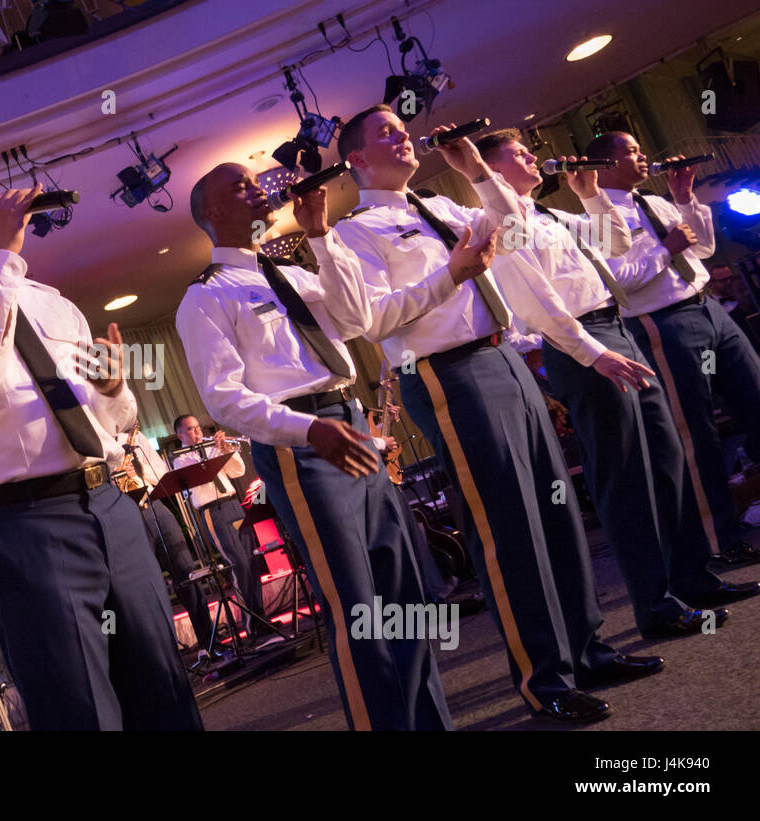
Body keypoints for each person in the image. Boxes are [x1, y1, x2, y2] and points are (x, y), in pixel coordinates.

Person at [321, 104, 657, 723]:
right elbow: (373, 323)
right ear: (357, 160)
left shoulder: (440, 207)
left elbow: (515, 230)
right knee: (508, 528)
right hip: (449, 375)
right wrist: (452, 273)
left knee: (556, 515)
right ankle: (543, 679)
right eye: (385, 133)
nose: (403, 137)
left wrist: (476, 169)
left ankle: (585, 649)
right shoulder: (354, 232)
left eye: (404, 126)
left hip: (505, 358)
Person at [0, 137, 201, 730]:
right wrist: (0, 257)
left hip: (110, 502)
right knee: (78, 707)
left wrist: (111, 392)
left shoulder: (48, 301)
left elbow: (116, 422)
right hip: (24, 525)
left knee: (164, 692)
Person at [176, 161, 451, 730]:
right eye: (240, 186)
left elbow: (357, 321)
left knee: (402, 596)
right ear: (213, 213)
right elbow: (224, 400)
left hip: (350, 425)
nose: (258, 191)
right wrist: (309, 432)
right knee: (357, 606)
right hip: (303, 445)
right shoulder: (204, 298)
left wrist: (322, 235)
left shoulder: (293, 274)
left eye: (256, 183)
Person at [475, 128, 754, 637]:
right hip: (581, 345)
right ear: (493, 171)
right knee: (625, 479)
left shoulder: (554, 214)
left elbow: (617, 245)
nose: (534, 157)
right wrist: (589, 351)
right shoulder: (503, 223)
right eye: (519, 154)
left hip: (617, 328)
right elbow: (539, 302)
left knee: (666, 461)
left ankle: (693, 578)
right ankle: (655, 606)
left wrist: (588, 193)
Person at [587, 132, 760, 567]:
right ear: (606, 165)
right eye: (630, 151)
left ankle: (748, 487)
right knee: (695, 431)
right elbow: (617, 283)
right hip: (664, 323)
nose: (643, 156)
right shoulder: (598, 219)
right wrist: (665, 250)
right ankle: (721, 539)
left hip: (709, 309)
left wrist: (684, 199)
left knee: (756, 399)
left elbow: (703, 248)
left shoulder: (655, 202)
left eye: (640, 148)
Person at [169, 415, 282, 649]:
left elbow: (238, 471)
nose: (197, 432)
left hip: (233, 504)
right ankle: (252, 625)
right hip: (213, 511)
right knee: (237, 562)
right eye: (190, 429)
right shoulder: (180, 459)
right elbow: (204, 474)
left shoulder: (212, 449)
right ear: (180, 435)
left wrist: (226, 450)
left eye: (198, 428)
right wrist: (215, 452)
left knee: (251, 560)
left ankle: (262, 618)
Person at [116, 425, 215, 653]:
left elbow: (160, 473)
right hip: (124, 512)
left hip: (154, 504)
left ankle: (209, 640)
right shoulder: (97, 440)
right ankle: (165, 653)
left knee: (186, 572)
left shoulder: (136, 435)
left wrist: (138, 473)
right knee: (149, 586)